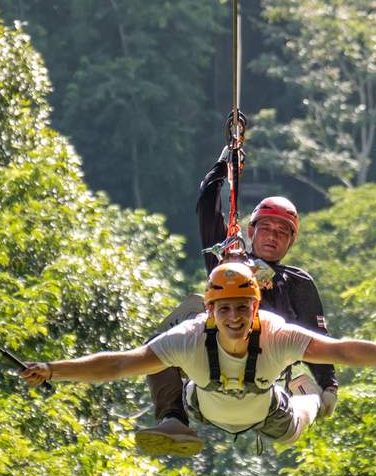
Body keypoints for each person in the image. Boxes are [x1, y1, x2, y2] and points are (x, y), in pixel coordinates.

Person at [22, 262, 376, 455]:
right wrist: (53, 370)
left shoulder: (276, 333)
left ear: (255, 306)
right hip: (202, 408)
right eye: (223, 309)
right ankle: (172, 421)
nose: (234, 318)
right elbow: (119, 364)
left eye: (242, 308)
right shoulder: (189, 337)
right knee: (161, 347)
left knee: (308, 411)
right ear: (210, 311)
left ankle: (309, 394)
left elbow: (339, 349)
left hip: (270, 415)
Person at [140, 150, 338, 450]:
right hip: (212, 378)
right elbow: (208, 206)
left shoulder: (296, 283)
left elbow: (317, 335)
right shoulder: (230, 265)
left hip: (264, 387)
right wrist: (225, 164)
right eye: (267, 229)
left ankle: (302, 391)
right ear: (251, 231)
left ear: (291, 241)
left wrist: (328, 385)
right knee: (183, 317)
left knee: (305, 396)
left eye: (282, 233)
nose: (273, 237)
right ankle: (172, 417)